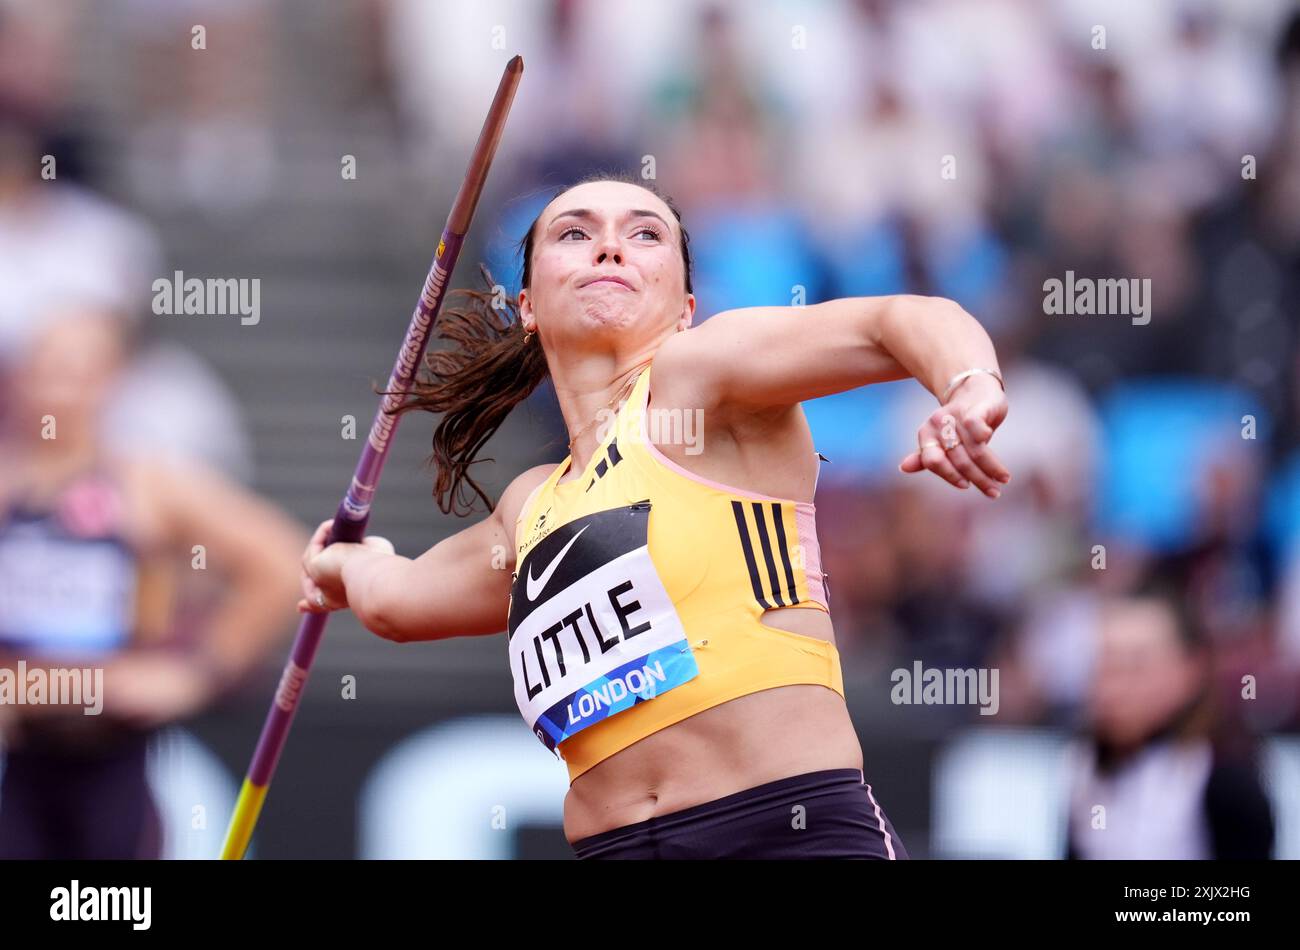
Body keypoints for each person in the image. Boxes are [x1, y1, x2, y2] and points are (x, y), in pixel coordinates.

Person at [299, 172, 1011, 859]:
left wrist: (967, 385)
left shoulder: (699, 384)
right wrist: (340, 563)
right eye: (574, 234)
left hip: (786, 833)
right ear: (527, 305)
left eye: (645, 235)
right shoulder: (532, 507)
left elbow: (900, 322)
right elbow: (396, 601)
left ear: (686, 307)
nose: (609, 247)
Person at [0, 304, 305, 859]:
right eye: (46, 368)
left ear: (115, 380)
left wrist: (196, 670)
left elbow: (283, 564)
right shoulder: (7, 485)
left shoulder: (147, 486)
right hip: (16, 755)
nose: (58, 390)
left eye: (79, 371)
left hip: (111, 753)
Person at [1064, 578, 1274, 860]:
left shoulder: (1222, 773)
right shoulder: (1082, 763)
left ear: (1191, 668)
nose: (1113, 686)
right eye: (1105, 663)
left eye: (1135, 666)